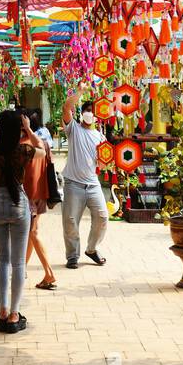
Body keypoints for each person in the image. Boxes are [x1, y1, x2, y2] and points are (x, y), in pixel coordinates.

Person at [0, 109, 40, 333]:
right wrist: (28, 128)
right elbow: (43, 150)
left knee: (2, 260)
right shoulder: (24, 150)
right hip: (18, 205)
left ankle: (3, 310)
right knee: (18, 263)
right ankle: (15, 313)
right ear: (17, 129)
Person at [60, 96, 109, 268]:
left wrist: (105, 163)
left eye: (93, 112)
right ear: (82, 113)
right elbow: (66, 107)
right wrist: (79, 91)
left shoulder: (100, 137)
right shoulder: (73, 128)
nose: (90, 114)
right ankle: (72, 255)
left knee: (103, 217)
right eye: (87, 110)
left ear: (98, 116)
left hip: (93, 184)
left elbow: (102, 164)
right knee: (71, 220)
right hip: (73, 184)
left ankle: (92, 249)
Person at [24, 108, 57, 290]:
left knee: (33, 233)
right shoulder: (43, 143)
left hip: (28, 195)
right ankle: (23, 268)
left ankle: (49, 273)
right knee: (32, 232)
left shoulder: (22, 145)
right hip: (41, 194)